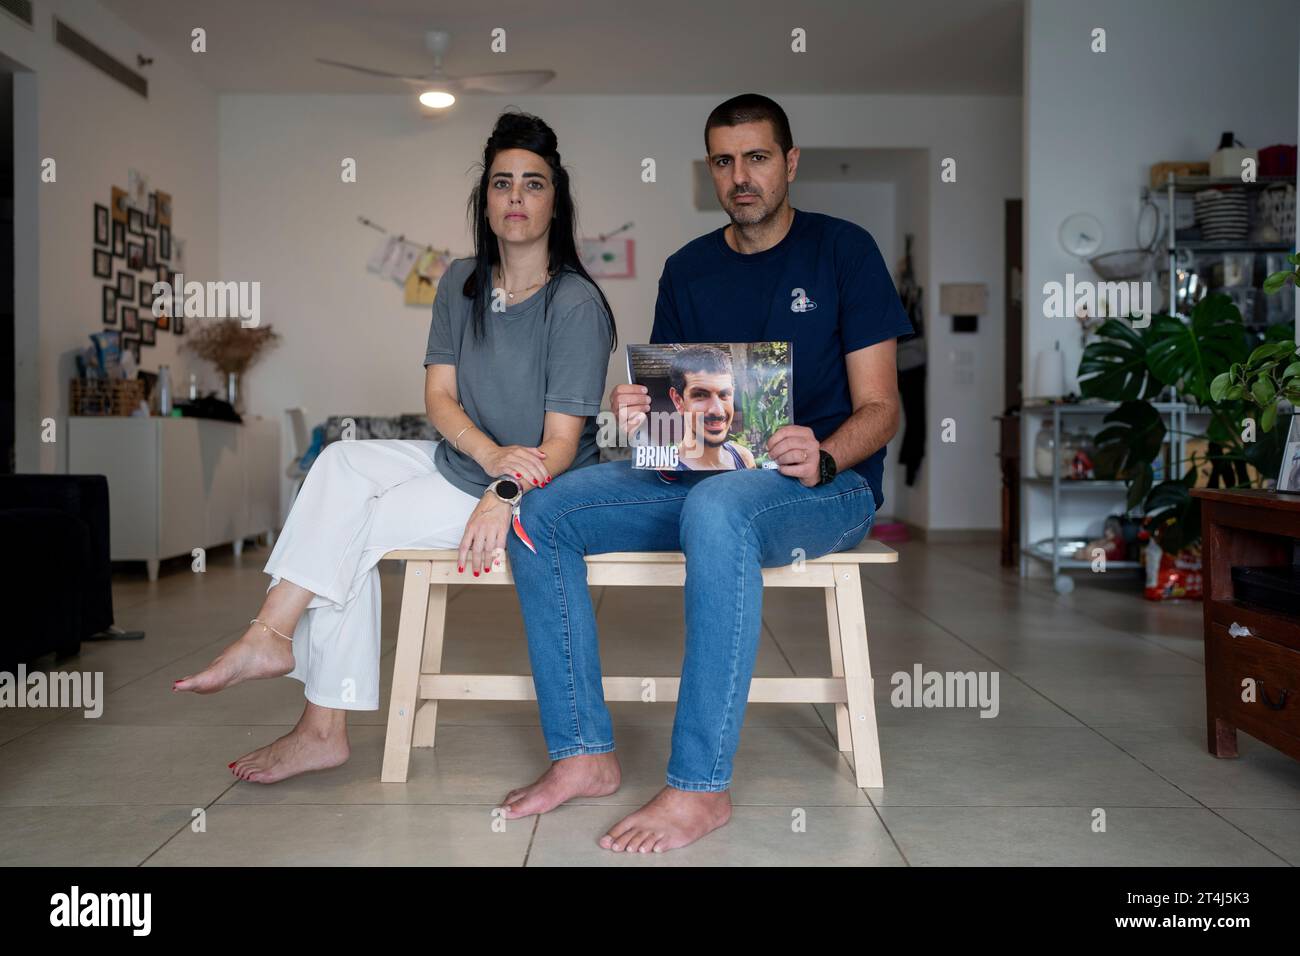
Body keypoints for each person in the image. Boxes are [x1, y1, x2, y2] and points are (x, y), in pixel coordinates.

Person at [501, 93, 913, 852]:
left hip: (826, 487)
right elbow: (676, 428)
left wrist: (823, 453)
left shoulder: (843, 251)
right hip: (702, 486)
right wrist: (638, 413)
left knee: (719, 509)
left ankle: (700, 788)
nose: (740, 176)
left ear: (789, 163)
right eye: (724, 161)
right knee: (538, 514)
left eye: (757, 157)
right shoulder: (685, 269)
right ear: (710, 171)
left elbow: (882, 409)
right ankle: (584, 752)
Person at [172, 111, 616, 784]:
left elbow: (558, 444)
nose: (517, 198)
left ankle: (318, 721)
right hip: (472, 462)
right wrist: (488, 455)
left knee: (360, 524)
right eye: (502, 183)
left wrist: (503, 486)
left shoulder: (575, 303)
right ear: (485, 200)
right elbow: (440, 399)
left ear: (556, 201)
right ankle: (271, 634)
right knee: (338, 462)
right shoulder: (462, 281)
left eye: (533, 183)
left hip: (542, 484)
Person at [664, 346, 756, 471]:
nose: (717, 410)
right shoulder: (667, 470)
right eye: (701, 395)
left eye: (724, 394)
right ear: (678, 400)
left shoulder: (744, 458)